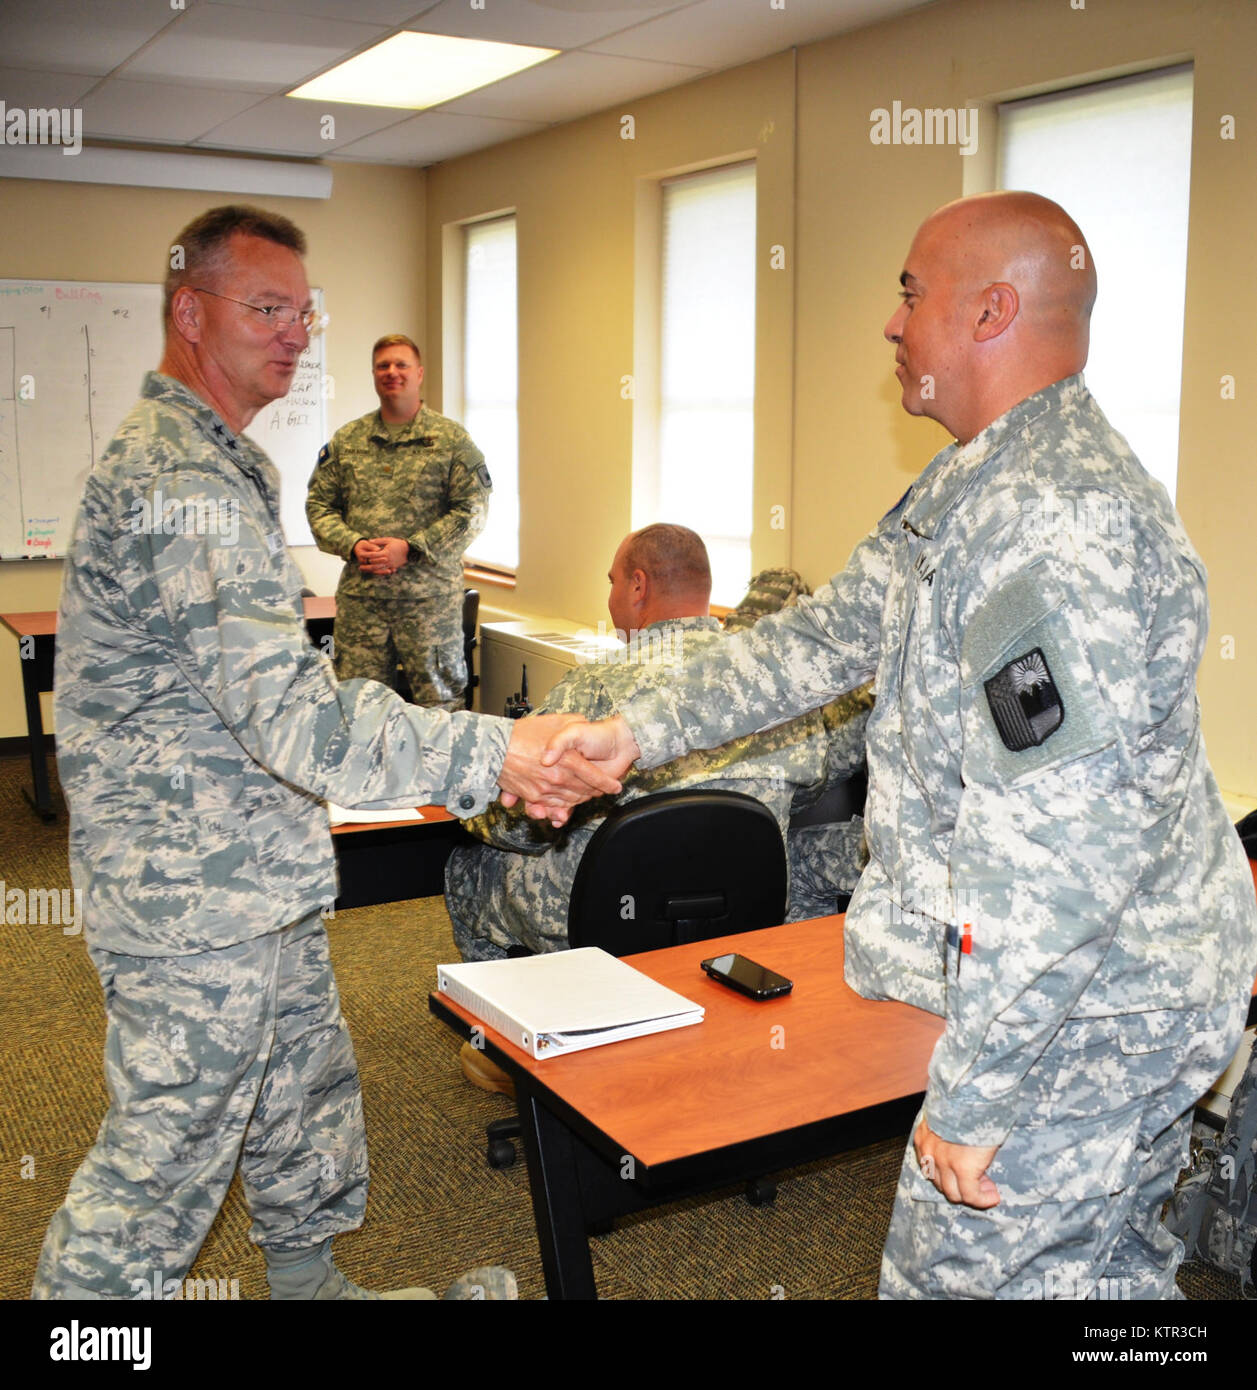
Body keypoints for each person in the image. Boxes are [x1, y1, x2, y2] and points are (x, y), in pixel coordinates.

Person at [543, 191, 1257, 1300]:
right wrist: (628, 733)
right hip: (1104, 983)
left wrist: (979, 1096)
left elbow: (1059, 858)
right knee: (1102, 1279)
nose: (891, 322)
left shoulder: (1054, 522)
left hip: (1094, 1004)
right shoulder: (978, 483)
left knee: (959, 1285)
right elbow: (821, 638)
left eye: (911, 292)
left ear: (992, 312)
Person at [34, 205, 619, 1302]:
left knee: (299, 1095)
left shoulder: (229, 460)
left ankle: (310, 1285)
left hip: (257, 869)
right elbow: (297, 718)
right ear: (189, 313)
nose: (296, 334)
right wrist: (500, 749)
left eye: (305, 313)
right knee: (159, 1168)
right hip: (189, 901)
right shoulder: (182, 483)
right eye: (266, 308)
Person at [446, 526, 836, 965]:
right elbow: (810, 794)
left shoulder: (595, 686)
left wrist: (471, 815)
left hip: (602, 920)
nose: (610, 596)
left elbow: (522, 823)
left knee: (469, 865)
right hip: (740, 911)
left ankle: (506, 1024)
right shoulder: (775, 686)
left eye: (612, 582)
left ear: (637, 585)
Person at [306, 334, 490, 711]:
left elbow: (471, 511)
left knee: (441, 709)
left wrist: (412, 549)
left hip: (429, 604)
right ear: (374, 375)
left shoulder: (451, 441)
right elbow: (319, 506)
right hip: (363, 604)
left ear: (419, 373)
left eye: (401, 364)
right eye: (383, 365)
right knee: (357, 709)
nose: (392, 372)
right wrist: (353, 544)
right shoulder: (348, 440)